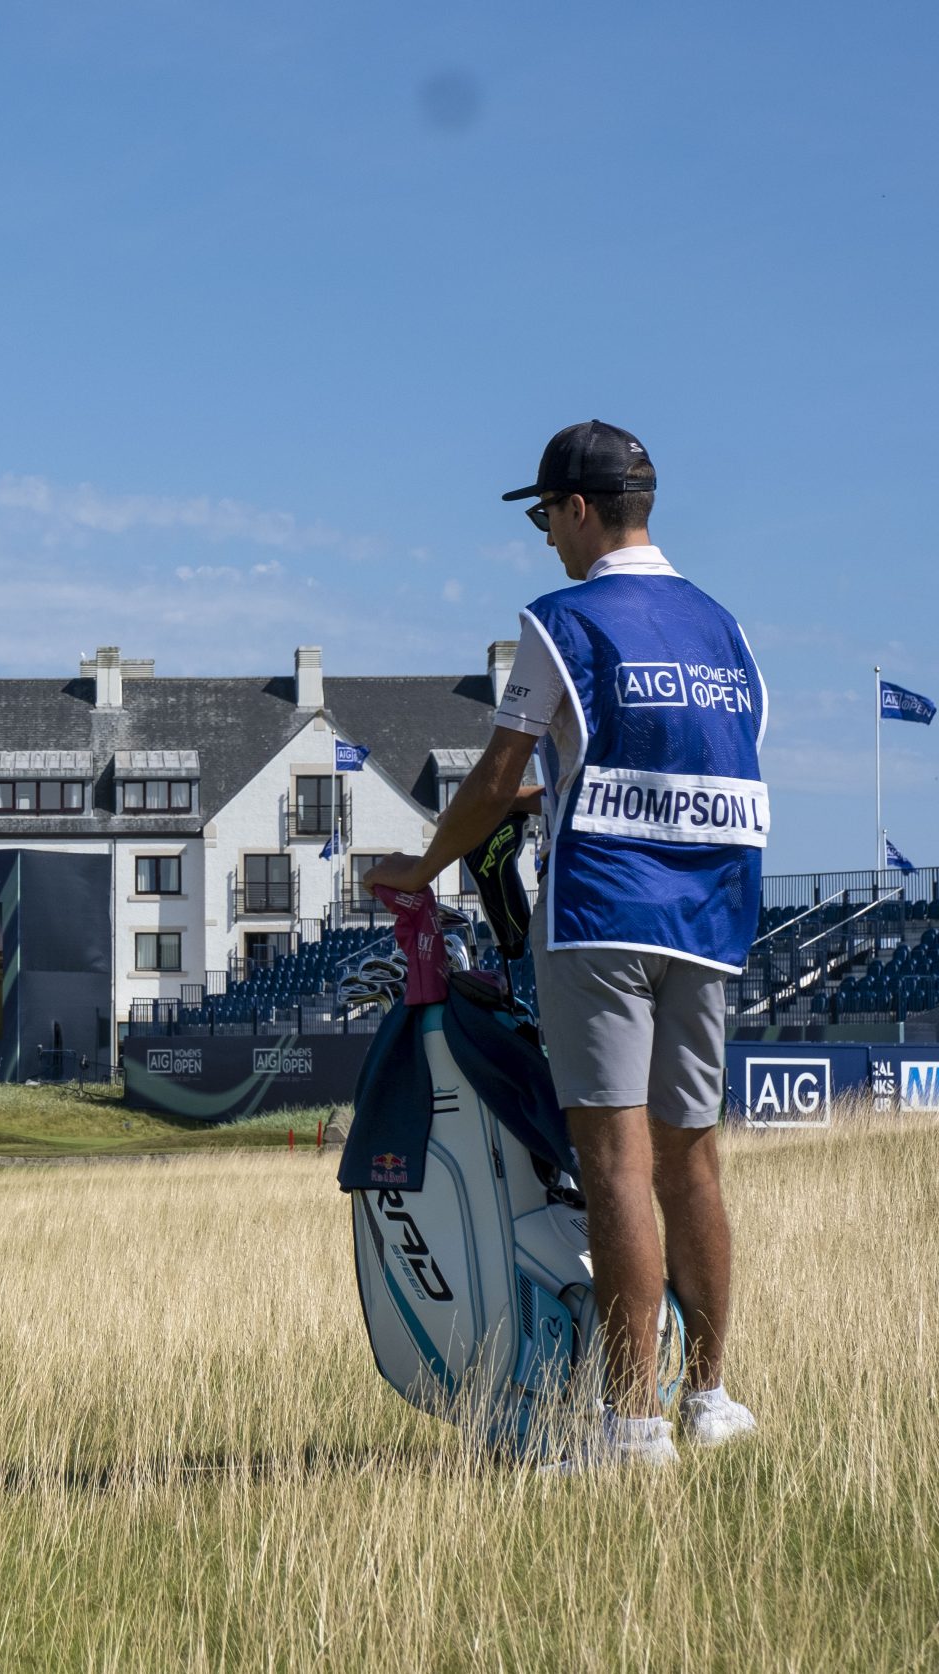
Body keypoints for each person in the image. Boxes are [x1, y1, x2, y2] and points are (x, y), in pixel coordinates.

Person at [367, 421, 764, 1471]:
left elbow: (495, 778)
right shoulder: (724, 628)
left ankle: (630, 1428)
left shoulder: (563, 621)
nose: (544, 537)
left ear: (581, 510)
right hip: (712, 916)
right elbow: (680, 762)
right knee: (693, 1164)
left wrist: (420, 867)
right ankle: (710, 1398)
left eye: (546, 517)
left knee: (615, 1166)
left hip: (601, 915)